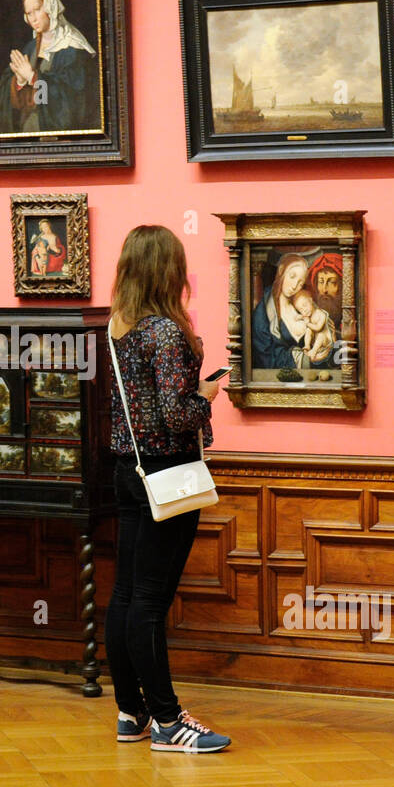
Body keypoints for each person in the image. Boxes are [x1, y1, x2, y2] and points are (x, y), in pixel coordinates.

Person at [106, 224, 229, 753]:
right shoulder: (165, 333)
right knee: (150, 603)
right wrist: (206, 395)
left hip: (127, 471)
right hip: (168, 476)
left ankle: (130, 711)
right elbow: (176, 415)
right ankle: (168, 721)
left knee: (124, 595)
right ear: (168, 272)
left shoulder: (118, 327)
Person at [0, 0, 99, 135]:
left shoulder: (73, 49)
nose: (33, 18)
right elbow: (9, 99)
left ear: (50, 7)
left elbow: (71, 105)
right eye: (29, 13)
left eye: (37, 10)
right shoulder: (31, 48)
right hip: (29, 132)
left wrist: (33, 78)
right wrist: (18, 82)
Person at [252, 253, 336, 370]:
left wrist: (327, 348)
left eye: (300, 283)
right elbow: (265, 356)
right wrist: (306, 359)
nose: (294, 286)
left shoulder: (303, 303)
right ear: (281, 271)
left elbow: (326, 331)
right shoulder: (264, 311)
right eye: (292, 276)